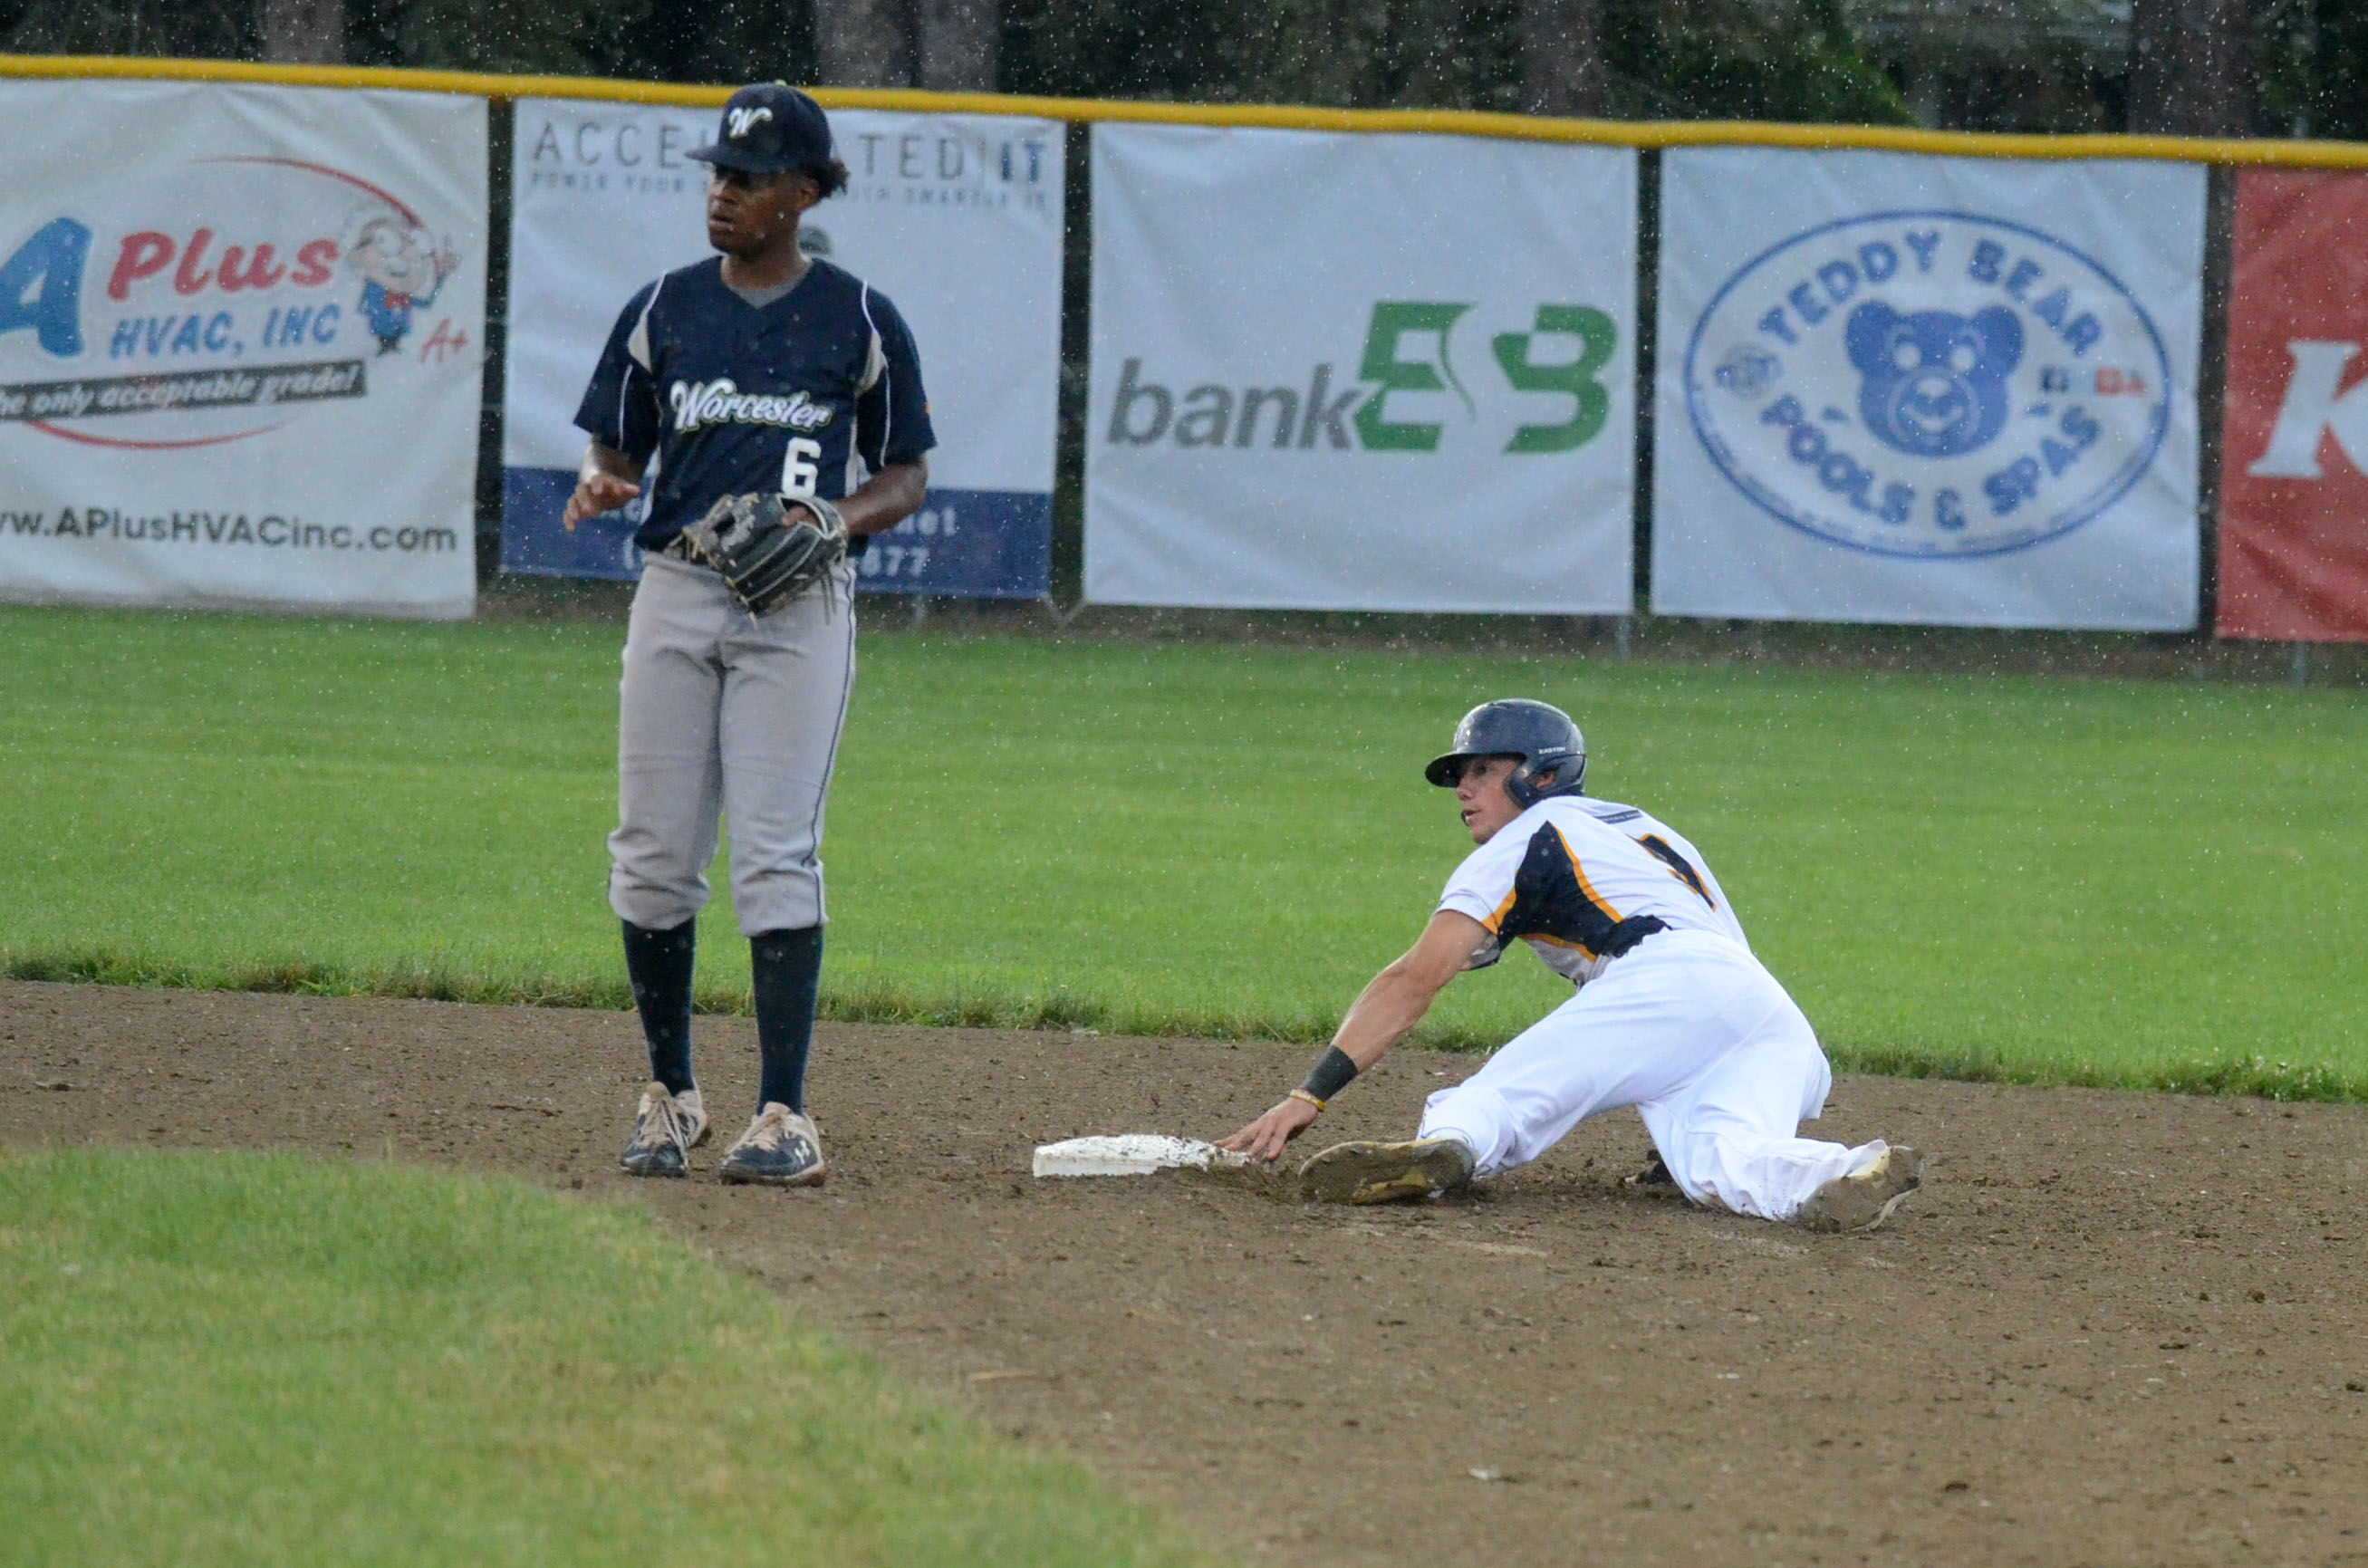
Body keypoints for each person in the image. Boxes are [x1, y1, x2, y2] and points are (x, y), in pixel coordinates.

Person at [562, 82, 934, 1187]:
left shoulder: (858, 318)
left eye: (749, 177)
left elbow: (905, 476)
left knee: (774, 855)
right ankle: (670, 1094)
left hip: (797, 607)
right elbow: (618, 457)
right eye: (717, 173)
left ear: (804, 193)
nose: (722, 193)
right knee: (653, 855)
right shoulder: (665, 308)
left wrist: (833, 518)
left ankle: (784, 1116)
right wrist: (601, 482)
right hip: (677, 588)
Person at [1218, 699, 1924, 1232]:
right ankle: (1843, 1170)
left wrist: (1309, 1095)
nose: (1464, 789)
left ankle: (1448, 1147)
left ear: (1542, 773)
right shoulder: (1644, 827)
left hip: (1663, 982)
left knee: (1491, 1098)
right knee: (1718, 1160)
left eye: (1485, 771)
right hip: (1768, 1016)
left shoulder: (1528, 835)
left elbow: (1413, 981)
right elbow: (1718, 978)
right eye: (1460, 775)